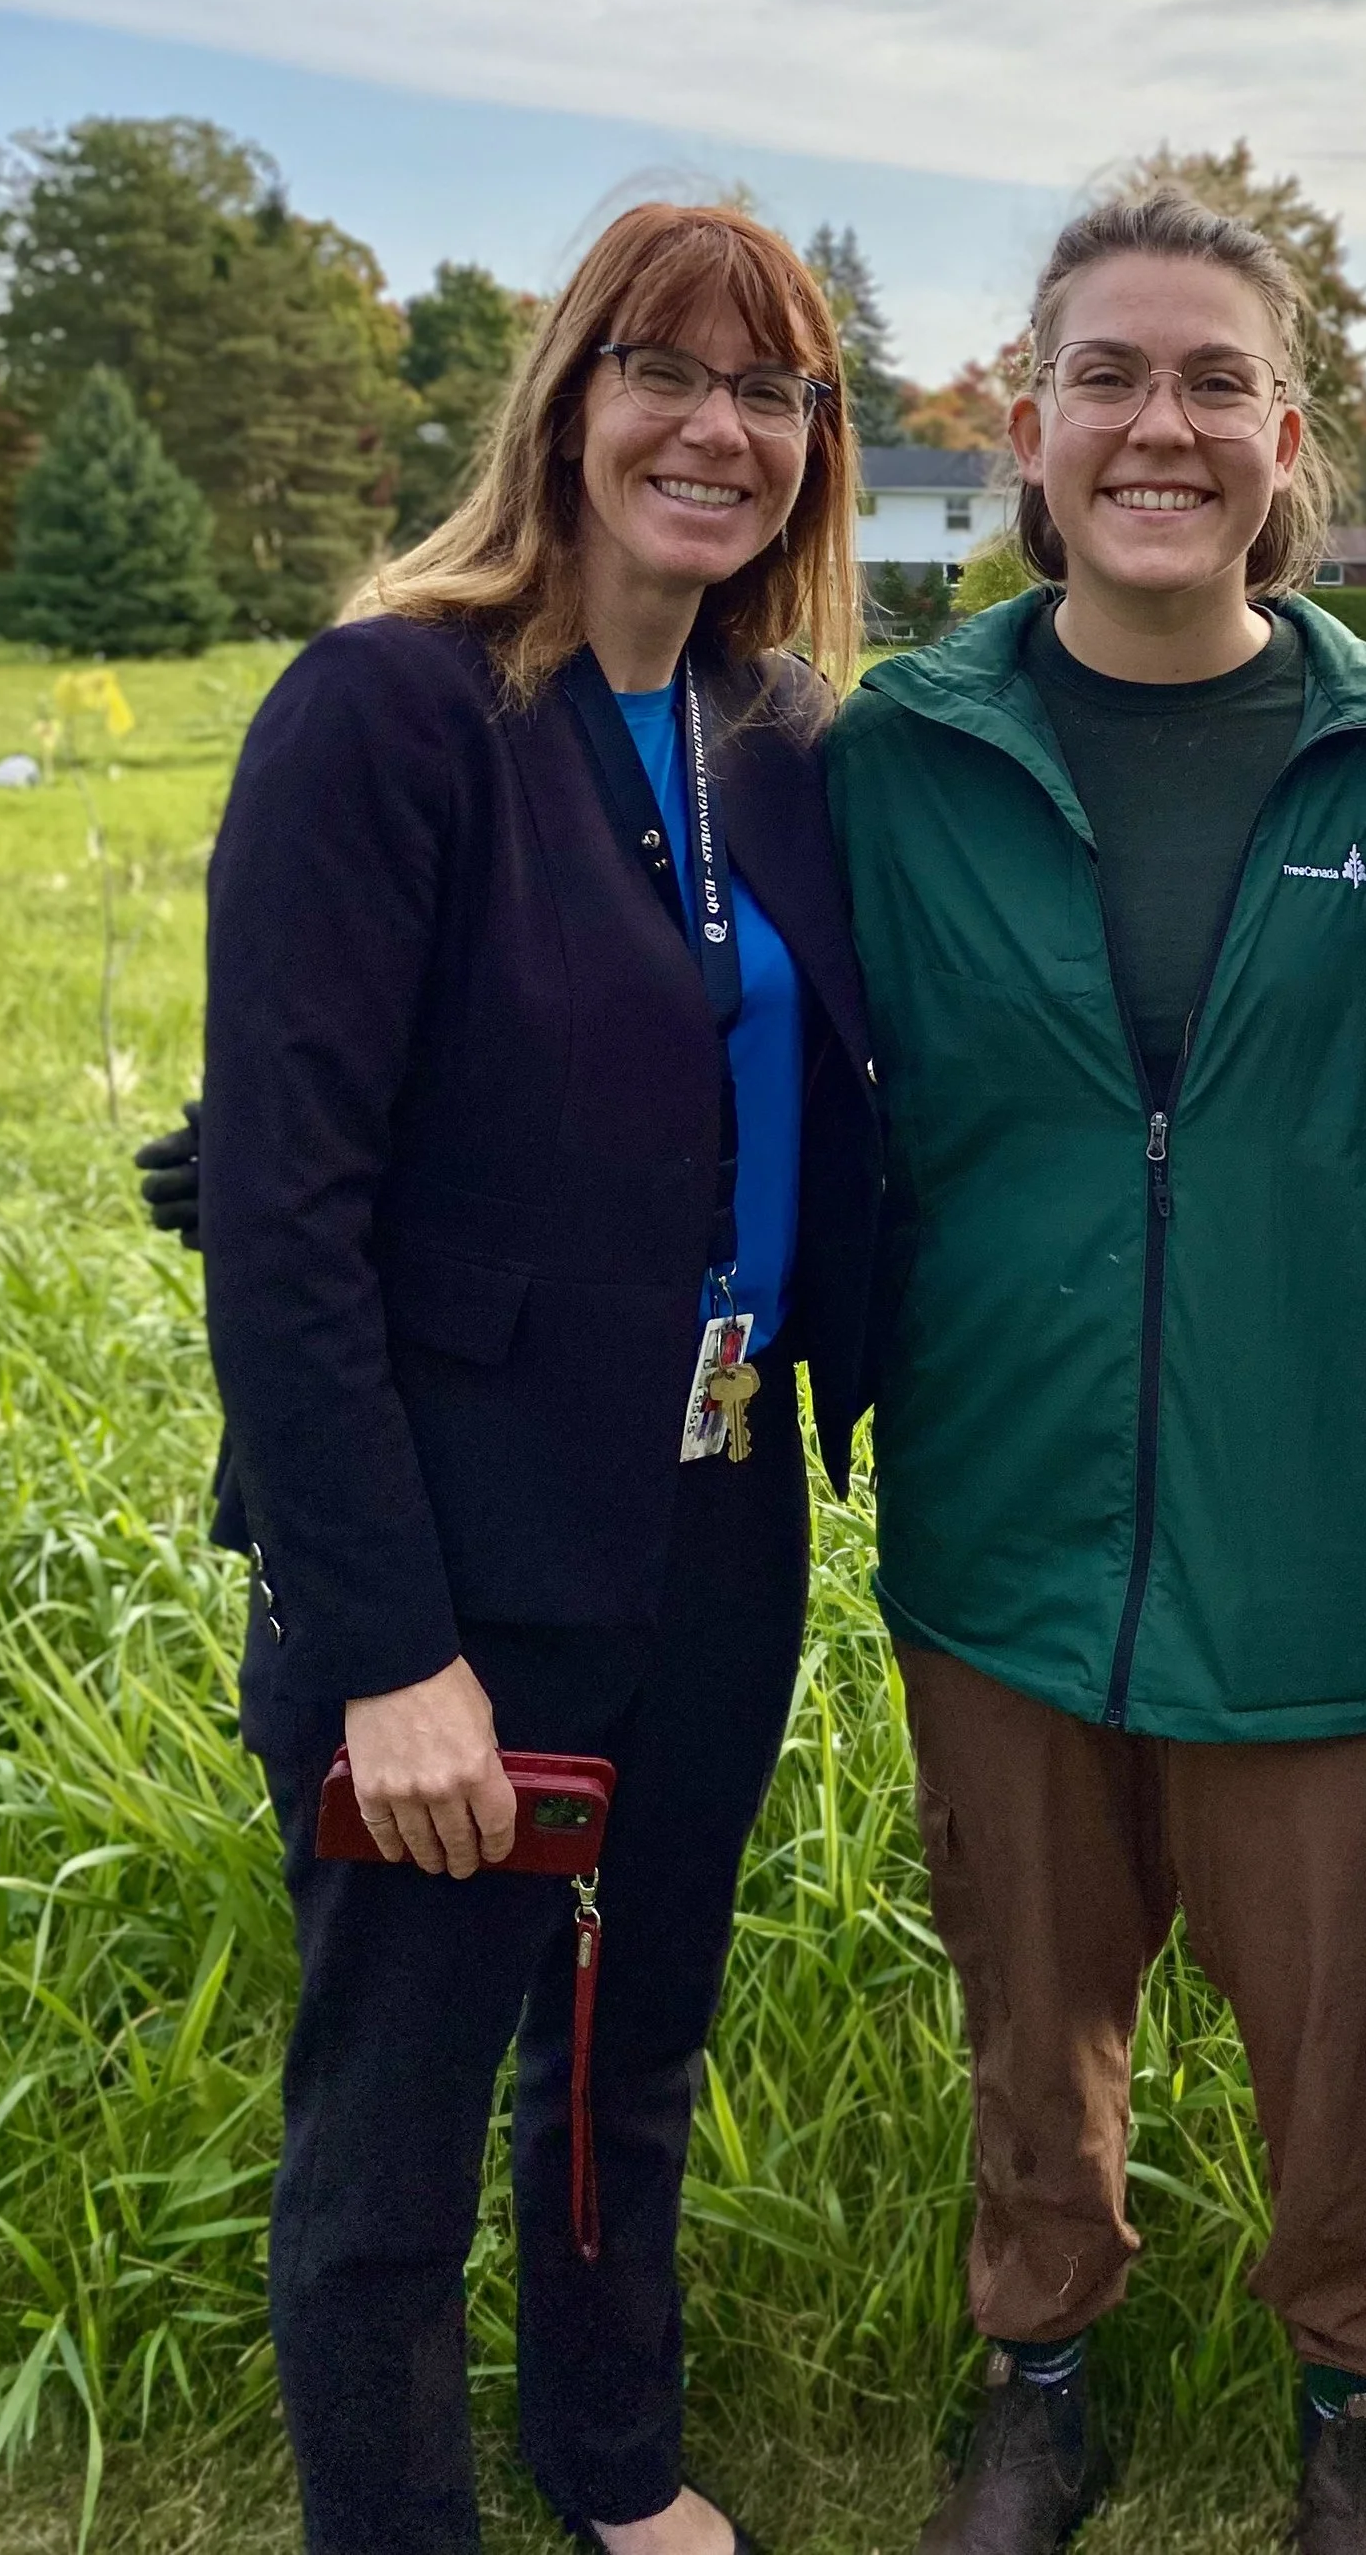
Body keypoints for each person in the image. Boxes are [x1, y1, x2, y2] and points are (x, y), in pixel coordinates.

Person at [196, 205, 878, 2555]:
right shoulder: (392, 708)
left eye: (772, 391)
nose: (717, 428)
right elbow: (284, 1223)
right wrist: (388, 1650)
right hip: (454, 1531)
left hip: (714, 1502)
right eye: (664, 374)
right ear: (564, 400)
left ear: (816, 445)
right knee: (393, 2118)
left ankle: (613, 2465)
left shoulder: (779, 734)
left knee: (630, 2044)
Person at [828, 187, 1366, 2555]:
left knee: (1350, 2035)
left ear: (1286, 435)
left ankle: (1360, 2399)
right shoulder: (893, 757)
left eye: (1213, 379)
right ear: (1024, 425)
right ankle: (1037, 2367)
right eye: (1107, 373)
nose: (1158, 423)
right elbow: (686, 1032)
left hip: (1324, 1529)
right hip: (1001, 1516)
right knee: (1030, 1998)